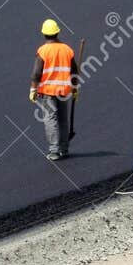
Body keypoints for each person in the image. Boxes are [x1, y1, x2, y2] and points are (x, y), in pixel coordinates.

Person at [29, 18, 77, 161]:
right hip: (64, 90)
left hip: (48, 91)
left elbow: (36, 73)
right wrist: (74, 89)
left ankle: (54, 151)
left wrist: (33, 90)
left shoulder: (43, 51)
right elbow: (74, 71)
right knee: (63, 119)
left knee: (51, 119)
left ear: (44, 34)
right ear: (57, 32)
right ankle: (64, 149)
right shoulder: (67, 49)